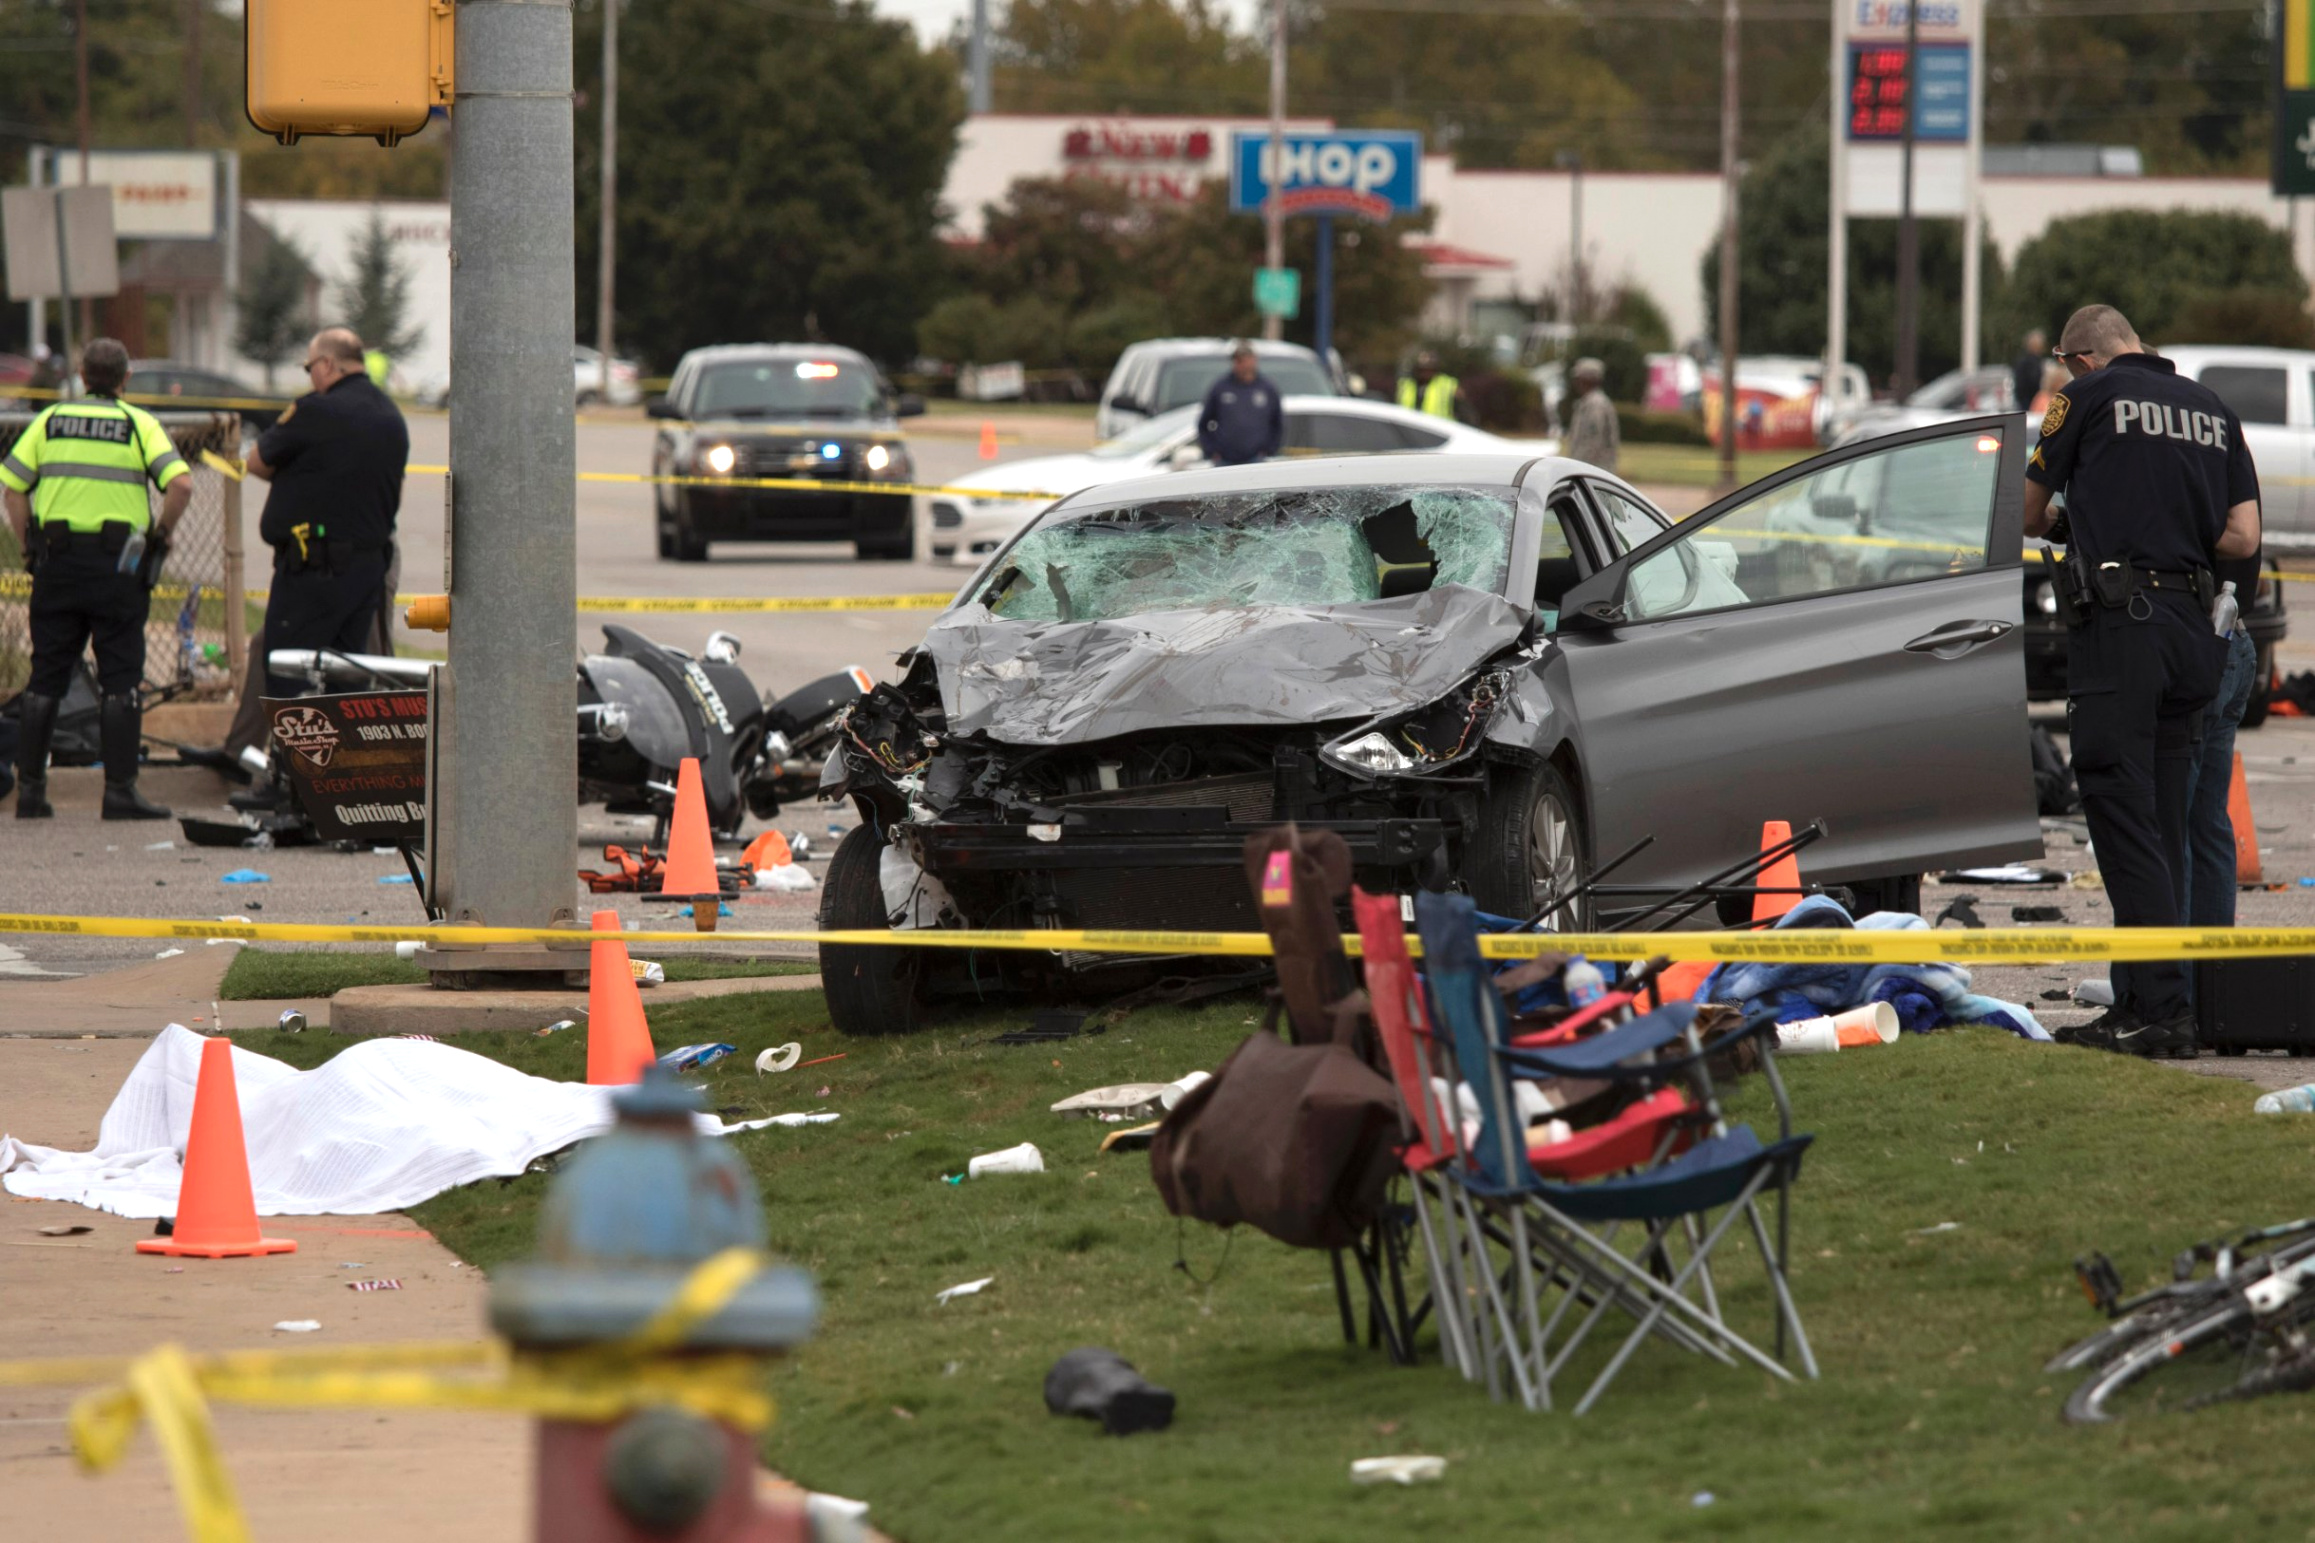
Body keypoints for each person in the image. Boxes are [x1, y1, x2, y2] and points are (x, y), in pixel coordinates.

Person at [2024, 304, 2260, 1057]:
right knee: (2162, 826)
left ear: (2080, 358)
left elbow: (2026, 511)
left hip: (2123, 630)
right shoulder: (2212, 410)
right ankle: (2146, 1001)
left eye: (2064, 364)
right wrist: (2173, 524)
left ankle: (2158, 1009)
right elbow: (2243, 536)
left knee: (2118, 812)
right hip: (2195, 635)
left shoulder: (2084, 398)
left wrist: (2076, 520)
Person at [0, 338, 191, 820]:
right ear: (125, 379)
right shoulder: (138, 423)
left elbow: (14, 487)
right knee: (120, 678)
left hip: (57, 564)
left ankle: (31, 792)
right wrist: (159, 536)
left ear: (83, 377)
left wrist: (29, 545)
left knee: (46, 677)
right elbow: (181, 484)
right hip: (117, 568)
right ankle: (120, 792)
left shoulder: (50, 420)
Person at [245, 327, 408, 699]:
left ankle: (290, 757)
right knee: (347, 676)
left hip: (312, 569)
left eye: (309, 367)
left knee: (287, 668)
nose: (310, 376)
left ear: (328, 364)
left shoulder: (314, 410)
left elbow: (256, 462)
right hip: (368, 568)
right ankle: (342, 755)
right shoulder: (391, 416)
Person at [1195, 341, 1283, 467]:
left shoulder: (1267, 389)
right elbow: (1204, 423)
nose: (1240, 365)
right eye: (1237, 361)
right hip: (1224, 460)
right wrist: (1211, 451)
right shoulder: (1221, 387)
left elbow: (1277, 423)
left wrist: (1269, 450)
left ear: (1253, 360)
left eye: (1243, 360)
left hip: (1256, 459)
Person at [1561, 356, 1620, 472]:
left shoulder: (1595, 404)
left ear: (1587, 379)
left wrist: (1578, 466)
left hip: (1595, 469)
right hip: (1591, 468)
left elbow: (1592, 440)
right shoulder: (1588, 402)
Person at [1396, 349, 1468, 422]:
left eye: (1430, 369)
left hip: (1438, 430)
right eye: (1422, 369)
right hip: (1409, 429)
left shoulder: (1448, 384)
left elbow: (1464, 412)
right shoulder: (1406, 384)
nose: (1426, 373)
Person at [2012, 329, 2047, 414]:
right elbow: (2034, 381)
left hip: (2023, 400)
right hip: (2031, 401)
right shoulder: (2033, 363)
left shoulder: (2022, 361)